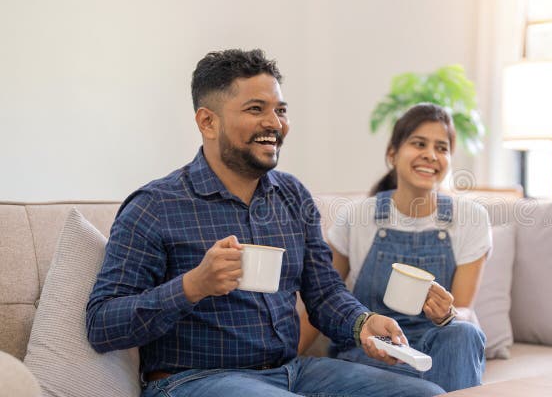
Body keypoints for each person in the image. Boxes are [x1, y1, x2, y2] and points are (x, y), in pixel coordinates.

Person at [85, 49, 445, 397]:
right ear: (207, 122)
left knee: (429, 394)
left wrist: (363, 323)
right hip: (192, 381)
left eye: (281, 110)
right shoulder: (154, 206)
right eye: (256, 109)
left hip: (290, 372)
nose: (275, 124)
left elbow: (325, 294)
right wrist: (193, 285)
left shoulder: (293, 196)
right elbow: (102, 324)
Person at [299, 103, 491, 392]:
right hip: (370, 355)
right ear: (393, 154)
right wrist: (277, 363)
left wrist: (449, 314)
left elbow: (464, 309)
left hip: (436, 356)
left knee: (463, 331)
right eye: (418, 143)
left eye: (442, 148)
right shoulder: (357, 217)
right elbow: (322, 299)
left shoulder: (472, 219)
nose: (430, 154)